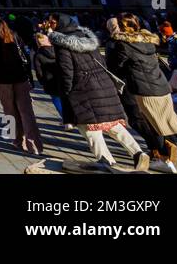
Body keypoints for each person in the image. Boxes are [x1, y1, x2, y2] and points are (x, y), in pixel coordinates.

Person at [45, 13, 150, 172]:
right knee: (112, 124)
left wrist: (65, 91)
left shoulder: (62, 44)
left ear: (61, 24)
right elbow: (102, 62)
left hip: (83, 90)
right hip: (104, 85)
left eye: (53, 22)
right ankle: (138, 152)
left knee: (88, 127)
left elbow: (67, 72)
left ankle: (106, 161)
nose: (50, 24)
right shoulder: (88, 38)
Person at [110, 13, 177, 173]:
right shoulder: (148, 42)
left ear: (121, 27)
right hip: (161, 87)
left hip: (144, 90)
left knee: (155, 126)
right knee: (174, 125)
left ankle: (166, 162)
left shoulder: (123, 45)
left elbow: (115, 68)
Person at [0, 12, 43, 155]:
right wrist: (30, 79)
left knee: (9, 111)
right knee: (27, 112)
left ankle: (16, 141)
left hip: (1, 79)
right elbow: (25, 58)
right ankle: (34, 145)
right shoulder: (13, 35)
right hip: (20, 77)